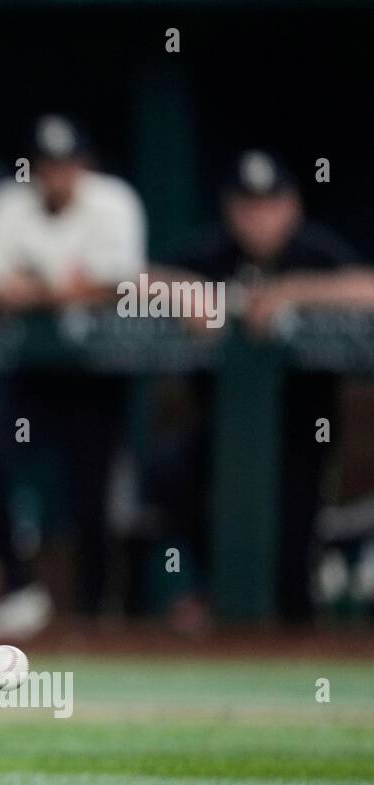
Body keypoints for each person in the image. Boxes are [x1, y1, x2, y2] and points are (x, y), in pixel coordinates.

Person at [157, 149, 374, 622]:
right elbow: (133, 280)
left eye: (270, 205)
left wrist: (291, 292)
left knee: (293, 541)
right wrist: (183, 291)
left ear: (292, 206)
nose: (259, 219)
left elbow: (368, 288)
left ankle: (293, 639)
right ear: (229, 209)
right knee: (176, 480)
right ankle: (204, 613)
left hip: (302, 429)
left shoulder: (313, 251)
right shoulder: (213, 251)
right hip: (216, 431)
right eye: (247, 206)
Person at [0, 115, 146, 636]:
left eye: (67, 164)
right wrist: (26, 290)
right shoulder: (7, 202)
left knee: (93, 497)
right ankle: (16, 585)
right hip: (31, 374)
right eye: (47, 165)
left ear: (83, 165)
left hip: (97, 374)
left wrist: (35, 291)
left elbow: (118, 284)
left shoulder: (114, 201)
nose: (56, 175)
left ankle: (95, 614)